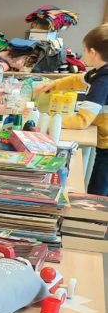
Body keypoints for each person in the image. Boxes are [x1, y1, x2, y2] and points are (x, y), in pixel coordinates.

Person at [35, 24, 108, 195]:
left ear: (93, 52)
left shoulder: (102, 81)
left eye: (84, 50)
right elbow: (76, 80)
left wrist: (53, 121)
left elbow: (82, 121)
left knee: (98, 191)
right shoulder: (98, 73)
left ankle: (94, 220)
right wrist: (52, 85)